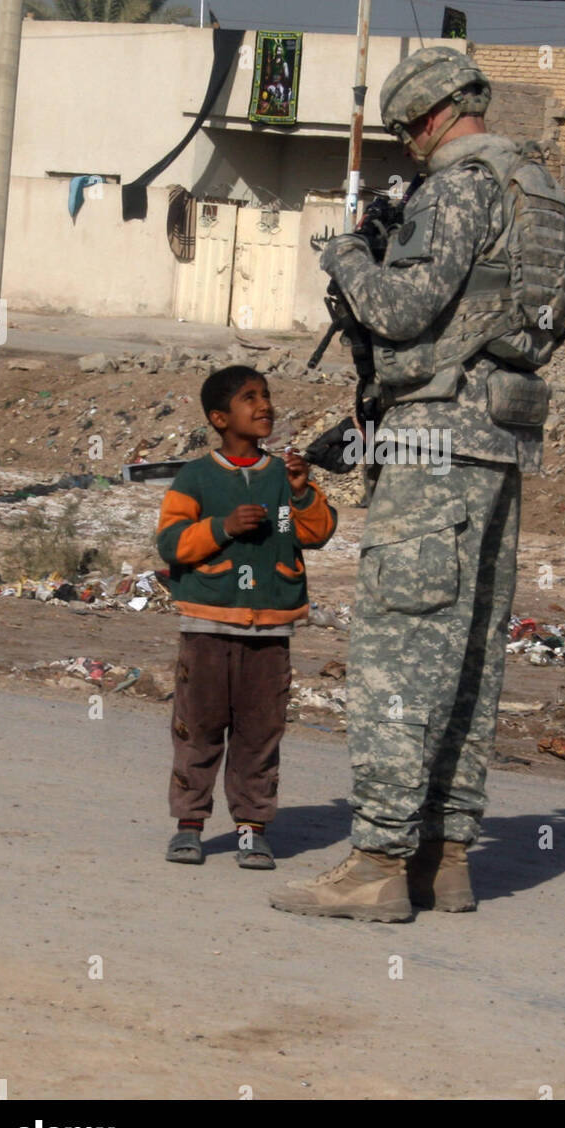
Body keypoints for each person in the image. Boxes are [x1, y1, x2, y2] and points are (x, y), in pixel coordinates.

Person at [270, 46, 565, 923]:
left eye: (407, 129)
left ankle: (376, 862)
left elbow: (405, 312)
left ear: (430, 116)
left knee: (398, 651)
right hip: (502, 439)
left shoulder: (458, 188)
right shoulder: (539, 191)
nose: (409, 145)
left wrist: (347, 261)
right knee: (471, 655)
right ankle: (445, 859)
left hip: (434, 443)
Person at [157, 366, 337, 870]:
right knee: (199, 729)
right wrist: (222, 527)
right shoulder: (195, 477)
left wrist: (301, 491)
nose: (264, 406)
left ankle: (251, 830)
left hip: (271, 629)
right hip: (207, 627)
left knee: (261, 733)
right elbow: (171, 543)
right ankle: (189, 825)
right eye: (249, 398)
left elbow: (316, 532)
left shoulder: (284, 474)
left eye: (266, 396)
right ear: (219, 418)